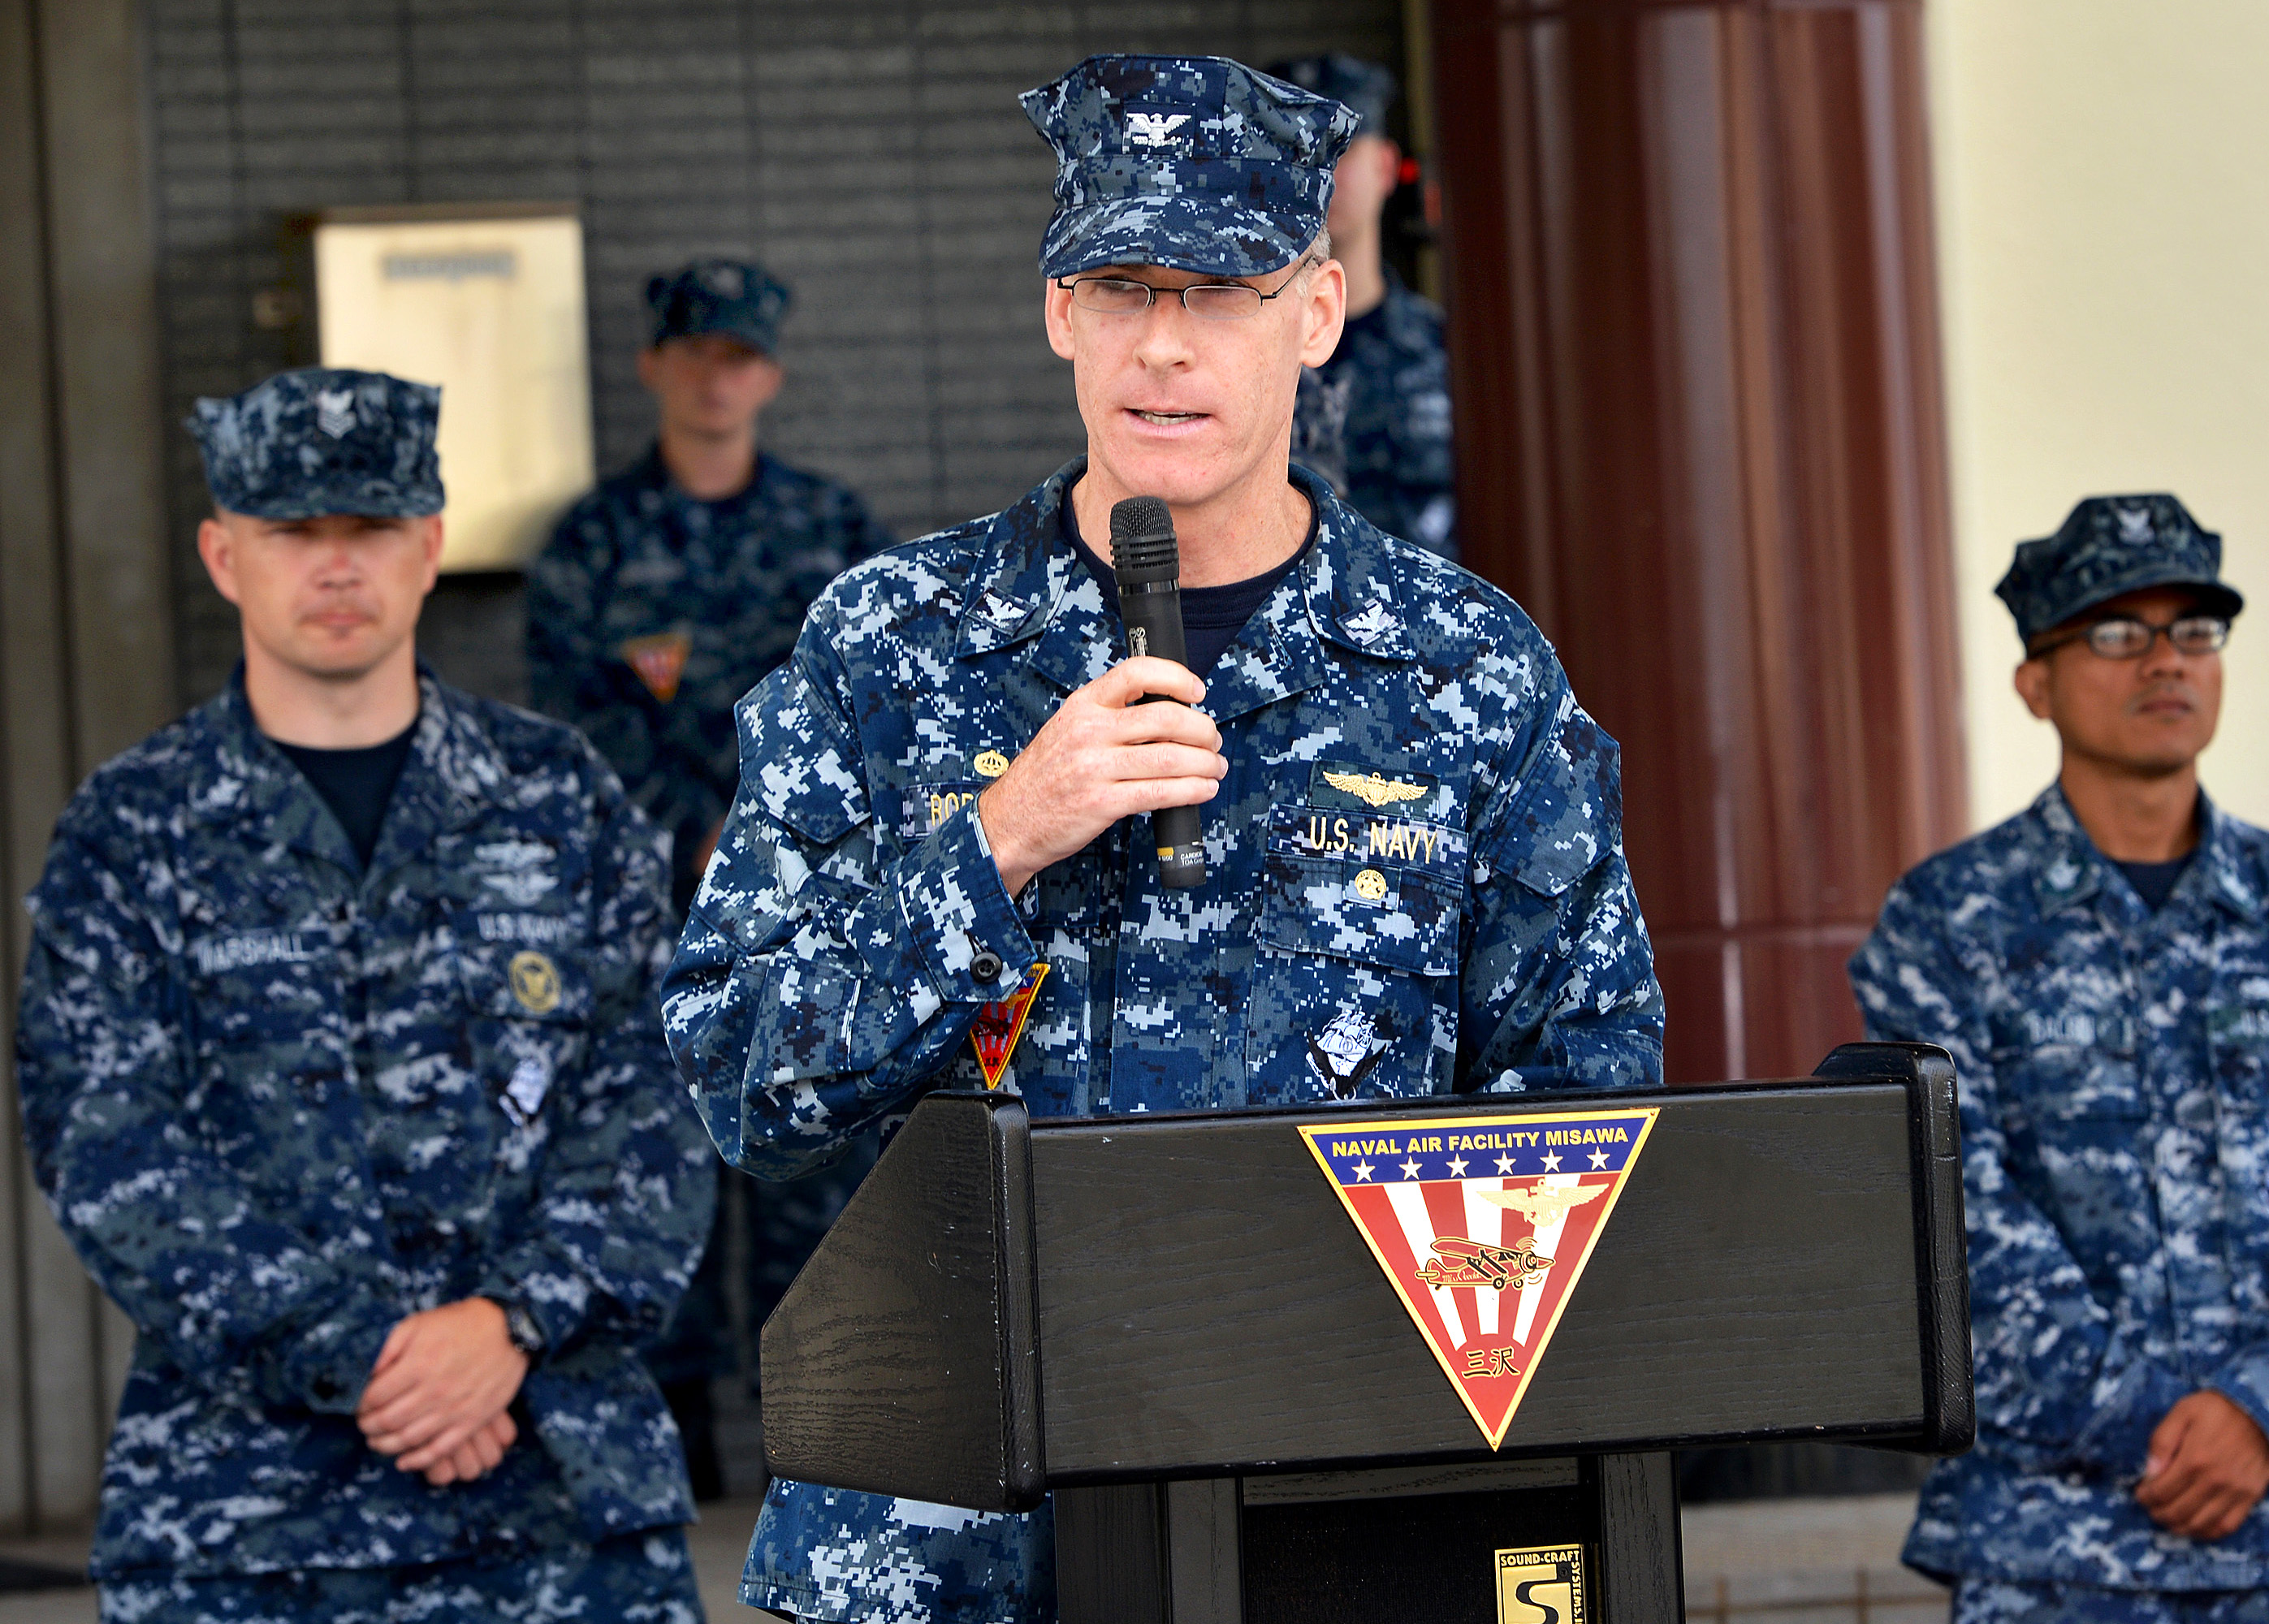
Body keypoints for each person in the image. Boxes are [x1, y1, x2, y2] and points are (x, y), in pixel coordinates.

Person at [661, 53, 1666, 1624]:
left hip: (1338, 1512)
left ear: (1318, 314)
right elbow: (735, 1073)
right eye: (1121, 286)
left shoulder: (1463, 668)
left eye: (1222, 291)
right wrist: (996, 838)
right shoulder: (892, 643)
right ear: (1058, 309)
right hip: (947, 1541)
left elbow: (1586, 1112)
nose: (1166, 346)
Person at [15, 368, 717, 1620]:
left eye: (373, 530)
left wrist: (505, 1327)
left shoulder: (560, 799)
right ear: (224, 555)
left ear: (431, 546)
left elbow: (658, 1099)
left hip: (558, 1507)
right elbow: (104, 1144)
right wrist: (381, 1359)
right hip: (245, 1527)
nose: (336, 566)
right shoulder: (134, 830)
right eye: (295, 534)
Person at [1848, 495, 2269, 1622]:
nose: (2166, 662)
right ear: (2036, 681)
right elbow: (1945, 1214)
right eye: (2118, 633)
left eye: (2194, 632)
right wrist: (2154, 1429)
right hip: (2057, 1551)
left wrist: (2263, 1411)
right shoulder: (1949, 923)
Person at [526, 257, 893, 1497]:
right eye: (693, 357)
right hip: (652, 912)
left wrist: (771, 835)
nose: (715, 380)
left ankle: (819, 1431)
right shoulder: (594, 544)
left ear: (770, 377)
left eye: (737, 359)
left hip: (813, 915)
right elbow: (577, 723)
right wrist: (691, 826)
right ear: (653, 369)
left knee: (809, 1169)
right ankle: (679, 1439)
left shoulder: (835, 532)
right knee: (667, 1160)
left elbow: (884, 710)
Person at [1268, 51, 1457, 560]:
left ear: (1387, 167)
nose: (1322, 175)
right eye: (1299, 152)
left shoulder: (1448, 351)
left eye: (1342, 150)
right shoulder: (1238, 351)